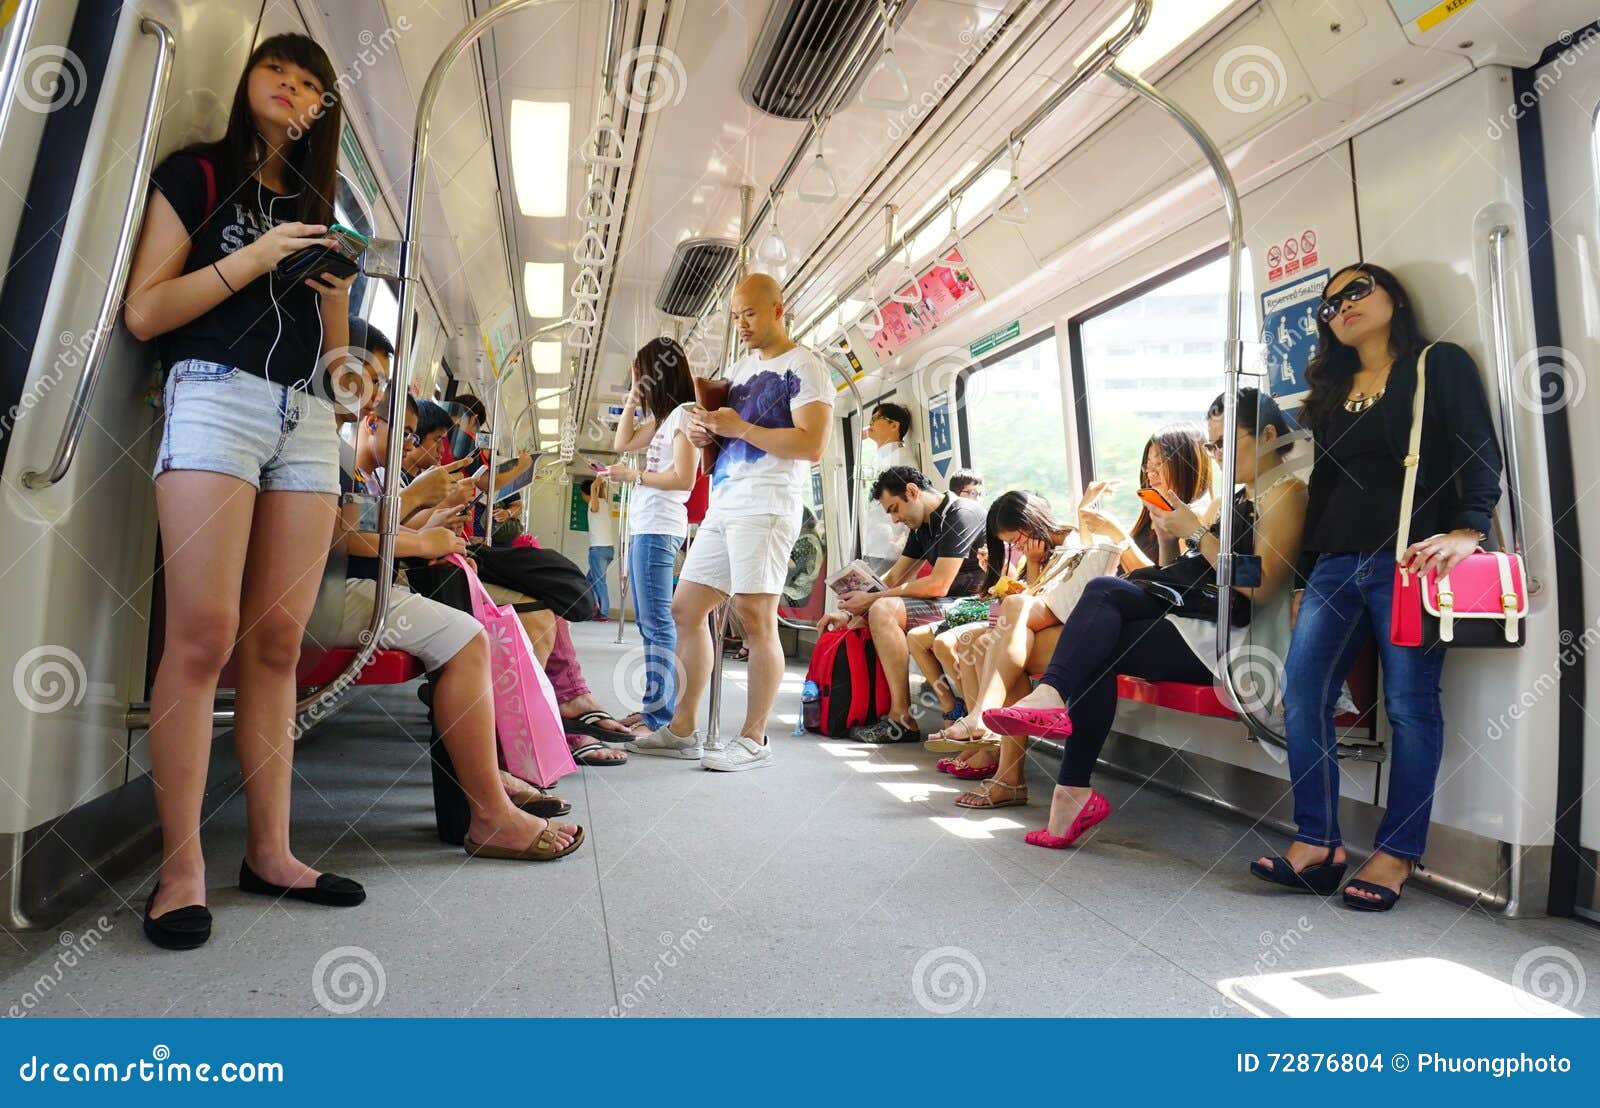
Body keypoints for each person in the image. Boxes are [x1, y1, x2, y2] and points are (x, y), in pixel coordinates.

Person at [124, 34, 364, 949]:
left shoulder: (318, 209)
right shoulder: (198, 175)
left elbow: (341, 374)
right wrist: (259, 256)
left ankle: (271, 852)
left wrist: (345, 346)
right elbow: (147, 309)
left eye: (311, 83)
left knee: (274, 643)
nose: (293, 88)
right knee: (202, 633)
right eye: (281, 71)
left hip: (304, 418)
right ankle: (181, 867)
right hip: (212, 395)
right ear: (249, 81)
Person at [1252, 264, 1502, 911]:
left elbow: (1477, 447)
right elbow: (1327, 492)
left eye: (1357, 291)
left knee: (1411, 705)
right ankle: (1319, 842)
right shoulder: (1332, 394)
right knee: (1303, 695)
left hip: (1411, 561)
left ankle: (1397, 853)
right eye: (1330, 304)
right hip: (1336, 563)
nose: (1342, 307)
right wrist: (1307, 574)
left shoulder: (1435, 365)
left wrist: (1469, 529)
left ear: (1393, 296)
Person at [980, 390, 1307, 839]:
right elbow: (1191, 571)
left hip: (1241, 636)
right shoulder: (1236, 498)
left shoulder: (1287, 493)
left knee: (1102, 628)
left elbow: (1261, 583)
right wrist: (1169, 534)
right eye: (1213, 445)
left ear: (1269, 435)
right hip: (1202, 615)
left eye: (1225, 442)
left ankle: (1064, 757)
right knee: (1104, 598)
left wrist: (1193, 530)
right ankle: (1065, 779)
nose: (1218, 454)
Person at [329, 327, 581, 850]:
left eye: (379, 381)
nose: (413, 447)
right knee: (470, 632)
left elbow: (355, 532)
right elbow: (340, 539)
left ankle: (493, 774)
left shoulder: (331, 447)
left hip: (353, 582)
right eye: (408, 435)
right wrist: (420, 524)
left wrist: (427, 519)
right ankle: (487, 801)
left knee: (500, 610)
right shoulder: (331, 450)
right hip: (330, 589)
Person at [632, 273, 833, 770]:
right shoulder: (740, 368)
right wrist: (708, 437)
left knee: (755, 618)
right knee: (685, 607)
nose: (741, 323)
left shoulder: (805, 366)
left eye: (750, 313)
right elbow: (731, 443)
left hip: (766, 504)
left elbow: (811, 444)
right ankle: (682, 728)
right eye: (736, 315)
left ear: (777, 310)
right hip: (725, 501)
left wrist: (739, 426)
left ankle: (754, 737)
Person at [818, 465, 986, 744]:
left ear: (912, 491)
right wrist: (849, 612)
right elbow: (895, 576)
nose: (895, 519)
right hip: (949, 603)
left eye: (895, 509)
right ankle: (905, 714)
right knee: (877, 608)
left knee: (883, 608)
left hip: (973, 604)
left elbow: (938, 584)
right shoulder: (923, 525)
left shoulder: (961, 514)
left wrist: (871, 600)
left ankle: (901, 719)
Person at [907, 491, 1079, 757]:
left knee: (979, 644)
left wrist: (1031, 565)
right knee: (967, 643)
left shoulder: (1067, 547)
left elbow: (1042, 601)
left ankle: (985, 733)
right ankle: (982, 739)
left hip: (1042, 624)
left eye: (1016, 540)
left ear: (1031, 522)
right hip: (1014, 619)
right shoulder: (1028, 555)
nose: (1018, 547)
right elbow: (1009, 600)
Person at [603, 337, 697, 741]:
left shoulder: (686, 416)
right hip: (647, 526)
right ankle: (652, 708)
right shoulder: (664, 419)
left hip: (660, 526)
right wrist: (631, 397)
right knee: (648, 622)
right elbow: (621, 443)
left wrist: (635, 476)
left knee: (658, 623)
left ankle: (659, 716)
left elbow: (684, 479)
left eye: (639, 372)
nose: (636, 379)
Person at [1079, 424, 1215, 574]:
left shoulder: (1192, 517)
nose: (1150, 473)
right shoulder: (1154, 513)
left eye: (1159, 463)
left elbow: (1165, 581)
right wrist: (1083, 511)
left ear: (1186, 465)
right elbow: (1091, 565)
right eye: (1148, 465)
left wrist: (1120, 536)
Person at [859, 401, 917, 570]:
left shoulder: (900, 457)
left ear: (894, 425)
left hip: (892, 546)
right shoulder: (881, 457)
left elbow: (910, 502)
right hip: (875, 544)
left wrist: (903, 539)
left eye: (876, 418)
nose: (871, 423)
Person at [582, 477, 616, 621]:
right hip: (608, 550)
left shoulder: (593, 503)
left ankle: (603, 612)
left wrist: (594, 486)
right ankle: (591, 608)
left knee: (599, 582)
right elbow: (601, 497)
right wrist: (600, 486)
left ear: (585, 494)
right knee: (588, 581)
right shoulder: (604, 502)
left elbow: (594, 506)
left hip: (598, 550)